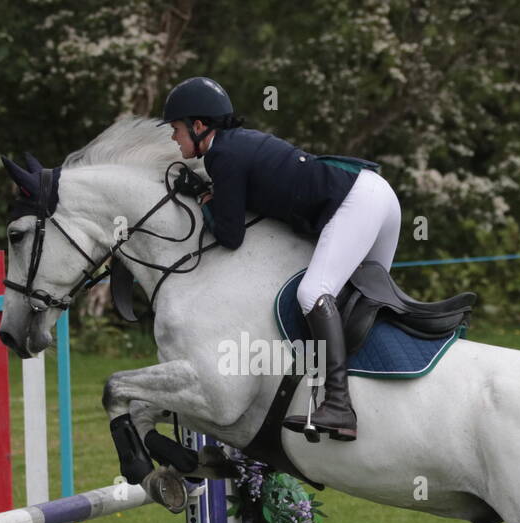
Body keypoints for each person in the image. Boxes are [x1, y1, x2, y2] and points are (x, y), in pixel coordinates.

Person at [160, 76, 402, 443]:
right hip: (376, 195)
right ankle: (383, 391)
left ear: (198, 126)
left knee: (312, 294)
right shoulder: (235, 147)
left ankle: (337, 403)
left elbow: (230, 236)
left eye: (176, 129)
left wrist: (204, 201)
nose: (173, 138)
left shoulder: (222, 155)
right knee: (362, 301)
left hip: (357, 202)